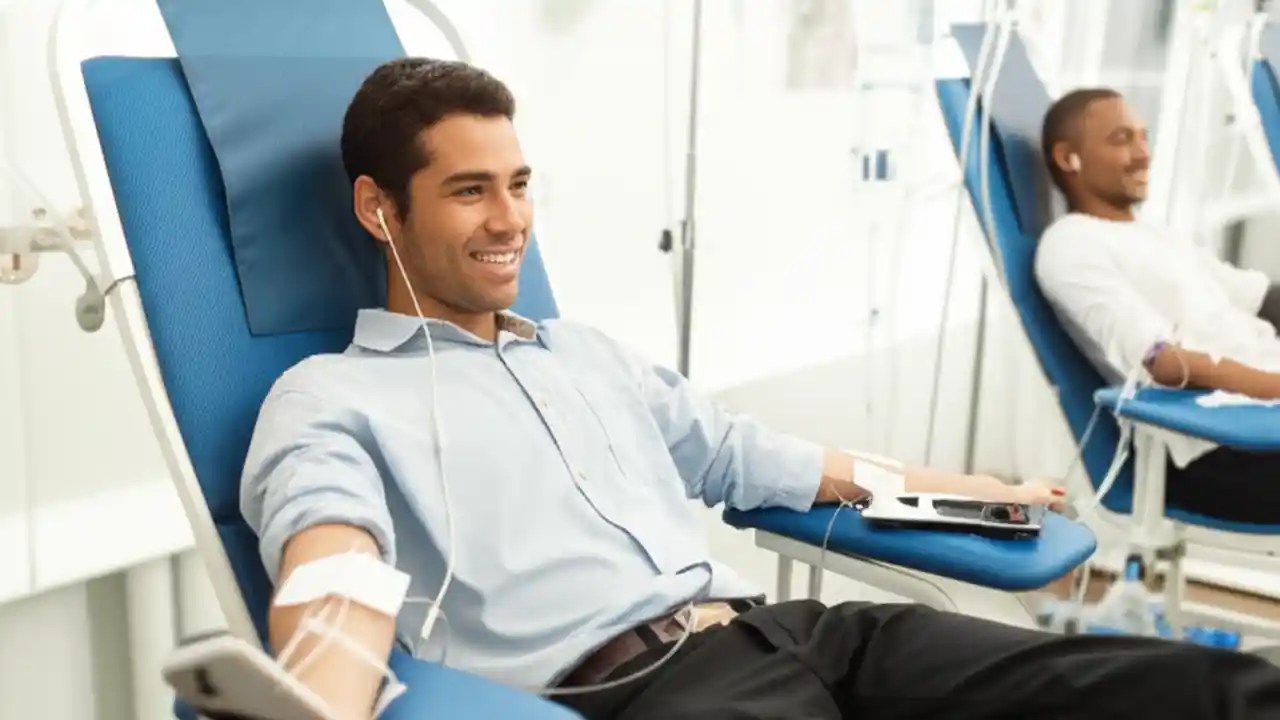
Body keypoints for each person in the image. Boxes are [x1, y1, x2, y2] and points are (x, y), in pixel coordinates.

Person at [241, 60, 1280, 720]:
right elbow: (332, 566)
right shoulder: (330, 398)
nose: (511, 219)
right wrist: (316, 706)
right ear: (379, 209)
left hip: (799, 632)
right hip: (645, 691)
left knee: (1193, 690)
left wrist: (966, 488)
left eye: (517, 184)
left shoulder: (585, 352)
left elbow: (756, 460)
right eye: (469, 191)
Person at [1036, 88, 1280, 525]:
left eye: (1143, 138)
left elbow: (1262, 298)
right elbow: (1161, 361)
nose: (1143, 154)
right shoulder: (1070, 245)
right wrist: (1274, 385)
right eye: (1121, 139)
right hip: (1221, 449)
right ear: (1069, 157)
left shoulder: (1157, 236)